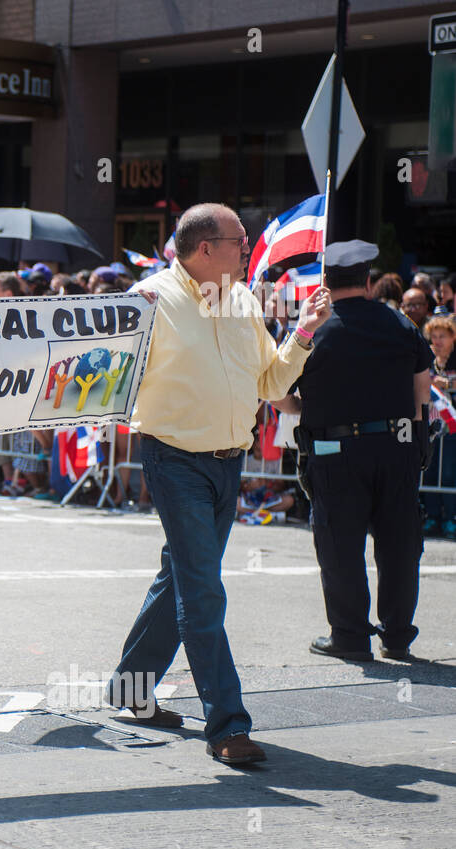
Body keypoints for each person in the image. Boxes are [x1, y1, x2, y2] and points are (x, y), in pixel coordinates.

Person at [105, 202, 327, 766]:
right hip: (174, 459)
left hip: (228, 462)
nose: (249, 246)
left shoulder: (244, 300)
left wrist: (303, 332)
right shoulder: (150, 299)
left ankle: (129, 688)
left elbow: (271, 381)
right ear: (205, 249)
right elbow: (103, 369)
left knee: (181, 577)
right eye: (239, 239)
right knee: (202, 591)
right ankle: (227, 724)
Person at [276, 241, 433, 663]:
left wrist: (305, 409)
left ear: (325, 283)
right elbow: (423, 391)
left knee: (340, 544)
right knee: (399, 545)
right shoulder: (401, 325)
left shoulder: (314, 330)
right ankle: (397, 636)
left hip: (333, 449)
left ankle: (349, 636)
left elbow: (277, 393)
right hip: (397, 446)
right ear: (367, 281)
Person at [423, 314, 456, 537]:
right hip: (430, 426)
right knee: (430, 472)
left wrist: (450, 383)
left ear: (452, 337)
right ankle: (432, 516)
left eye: (442, 336)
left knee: (448, 474)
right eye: (433, 336)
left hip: (451, 426)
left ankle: (450, 518)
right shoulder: (427, 360)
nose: (437, 341)